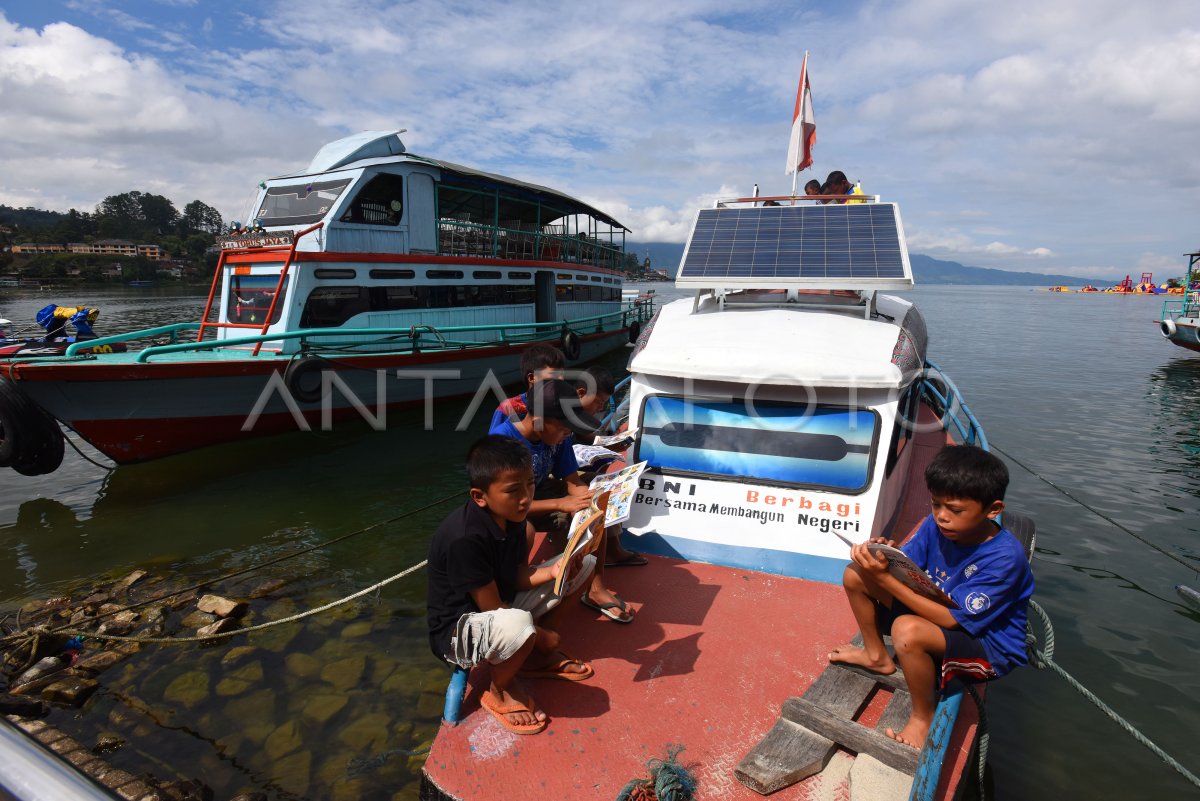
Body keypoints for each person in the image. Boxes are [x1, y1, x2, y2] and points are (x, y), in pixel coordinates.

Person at [830, 445, 1034, 749]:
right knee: (855, 574)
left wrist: (884, 578)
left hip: (988, 645)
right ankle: (876, 655)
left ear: (993, 510)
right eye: (936, 504)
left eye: (955, 510)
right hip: (942, 608)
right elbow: (908, 569)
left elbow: (951, 621)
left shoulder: (1005, 558)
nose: (942, 517)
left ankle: (922, 720)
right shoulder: (934, 526)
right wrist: (886, 557)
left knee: (907, 630)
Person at [426, 435, 597, 735]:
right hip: (456, 630)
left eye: (530, 484)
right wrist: (544, 635)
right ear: (480, 496)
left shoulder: (513, 517)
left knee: (584, 568)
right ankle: (499, 688)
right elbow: (492, 607)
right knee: (520, 624)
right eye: (512, 490)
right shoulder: (465, 538)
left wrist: (556, 570)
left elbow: (515, 576)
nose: (526, 497)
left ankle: (531, 656)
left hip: (499, 606)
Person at [490, 378, 637, 622]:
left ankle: (596, 587)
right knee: (524, 529)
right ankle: (516, 594)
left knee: (594, 505)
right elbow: (506, 507)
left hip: (538, 494)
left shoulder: (558, 437)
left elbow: (571, 480)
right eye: (563, 429)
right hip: (510, 510)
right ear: (540, 420)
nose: (568, 434)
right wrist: (562, 504)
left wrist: (588, 495)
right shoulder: (503, 444)